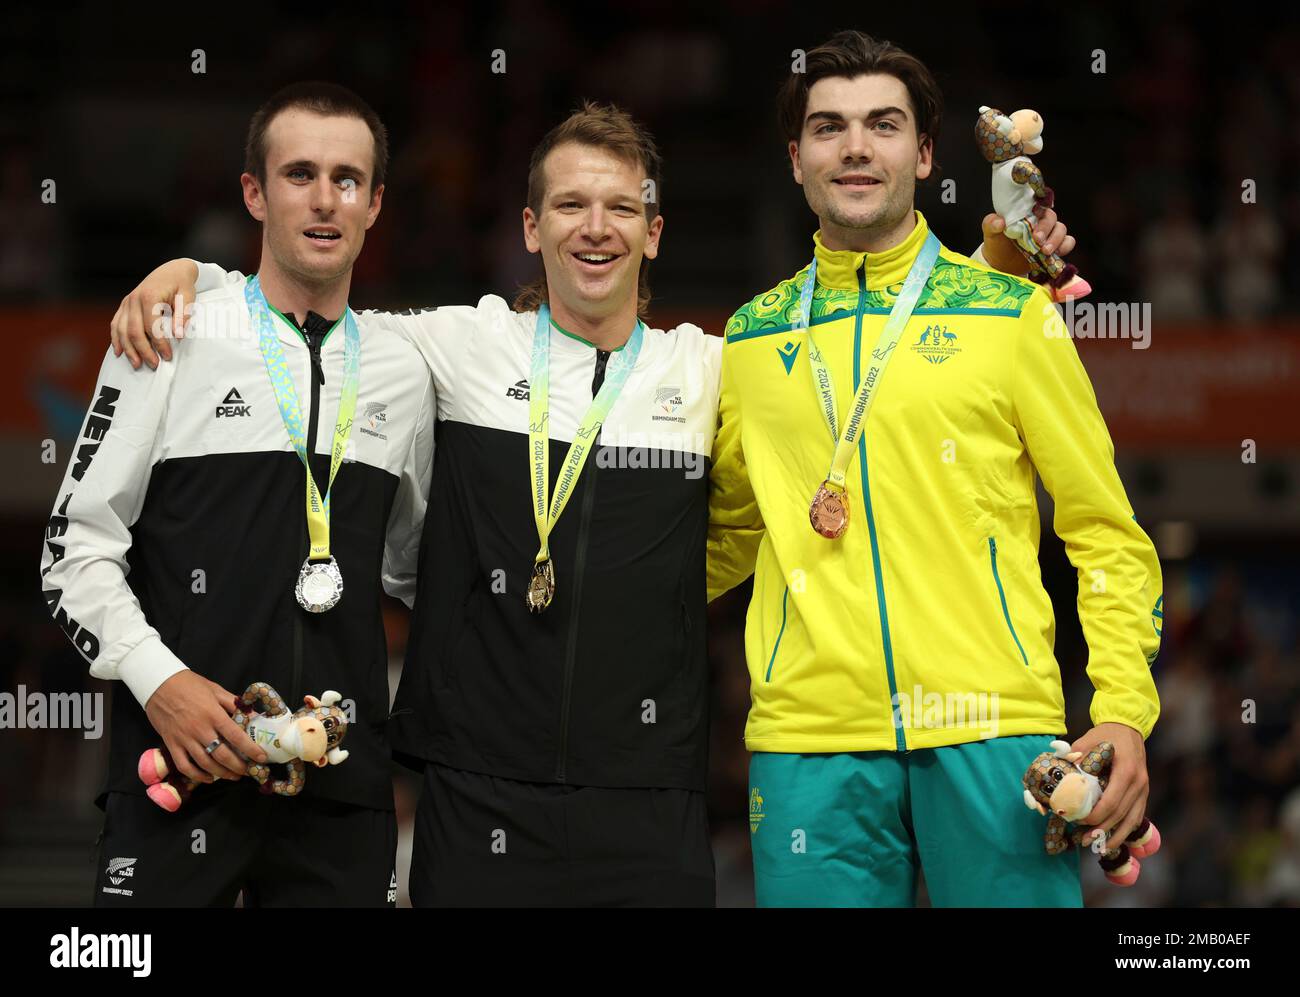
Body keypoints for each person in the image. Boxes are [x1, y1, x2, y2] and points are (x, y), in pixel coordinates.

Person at [113, 98, 1072, 907]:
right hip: (475, 801)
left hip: (647, 803)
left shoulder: (712, 367)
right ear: (532, 227)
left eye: (622, 206)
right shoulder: (451, 349)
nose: (596, 226)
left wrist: (1000, 265)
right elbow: (308, 301)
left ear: (654, 231)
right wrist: (196, 280)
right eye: (570, 203)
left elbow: (870, 351)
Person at [707, 31, 1163, 907]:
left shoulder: (1007, 313)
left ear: (923, 155)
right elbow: (726, 535)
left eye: (883, 125)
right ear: (795, 156)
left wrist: (1122, 709)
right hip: (809, 740)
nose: (854, 147)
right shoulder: (752, 337)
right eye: (827, 127)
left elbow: (1104, 530)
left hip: (994, 730)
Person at [40, 81, 434, 906]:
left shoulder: (406, 365)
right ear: (254, 193)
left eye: (347, 179)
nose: (324, 199)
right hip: (178, 774)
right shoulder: (170, 331)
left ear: (376, 204)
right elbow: (73, 552)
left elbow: (414, 568)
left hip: (340, 799)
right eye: (298, 174)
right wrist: (160, 682)